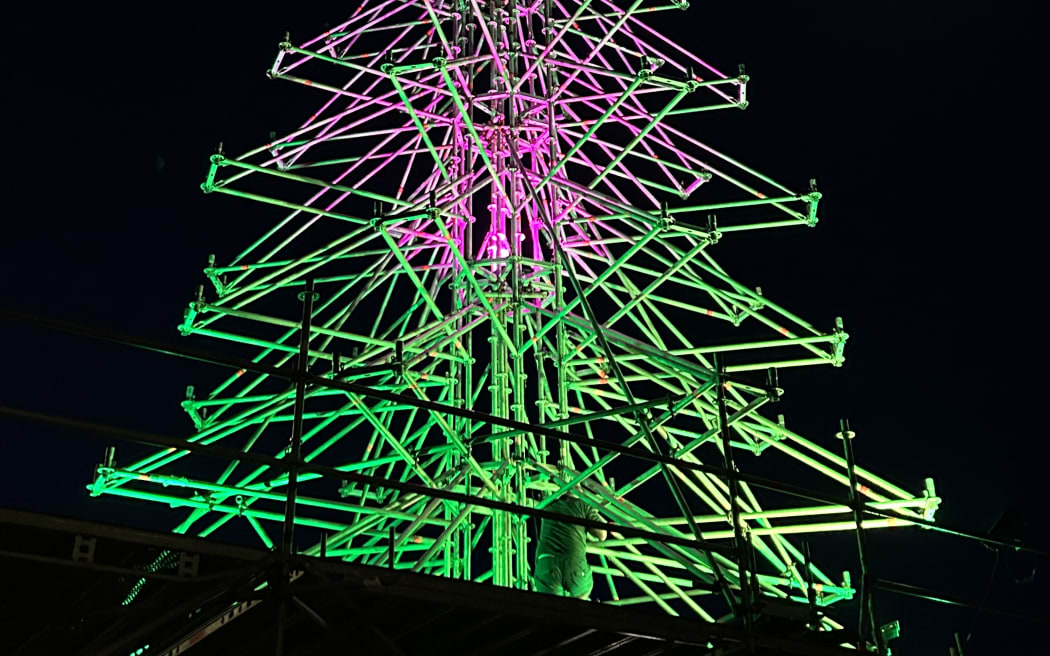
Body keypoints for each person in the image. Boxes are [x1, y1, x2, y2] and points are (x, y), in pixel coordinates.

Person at [534, 494, 606, 599]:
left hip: (547, 561)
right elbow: (602, 535)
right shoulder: (583, 505)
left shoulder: (549, 504)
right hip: (574, 565)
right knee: (582, 593)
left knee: (550, 609)